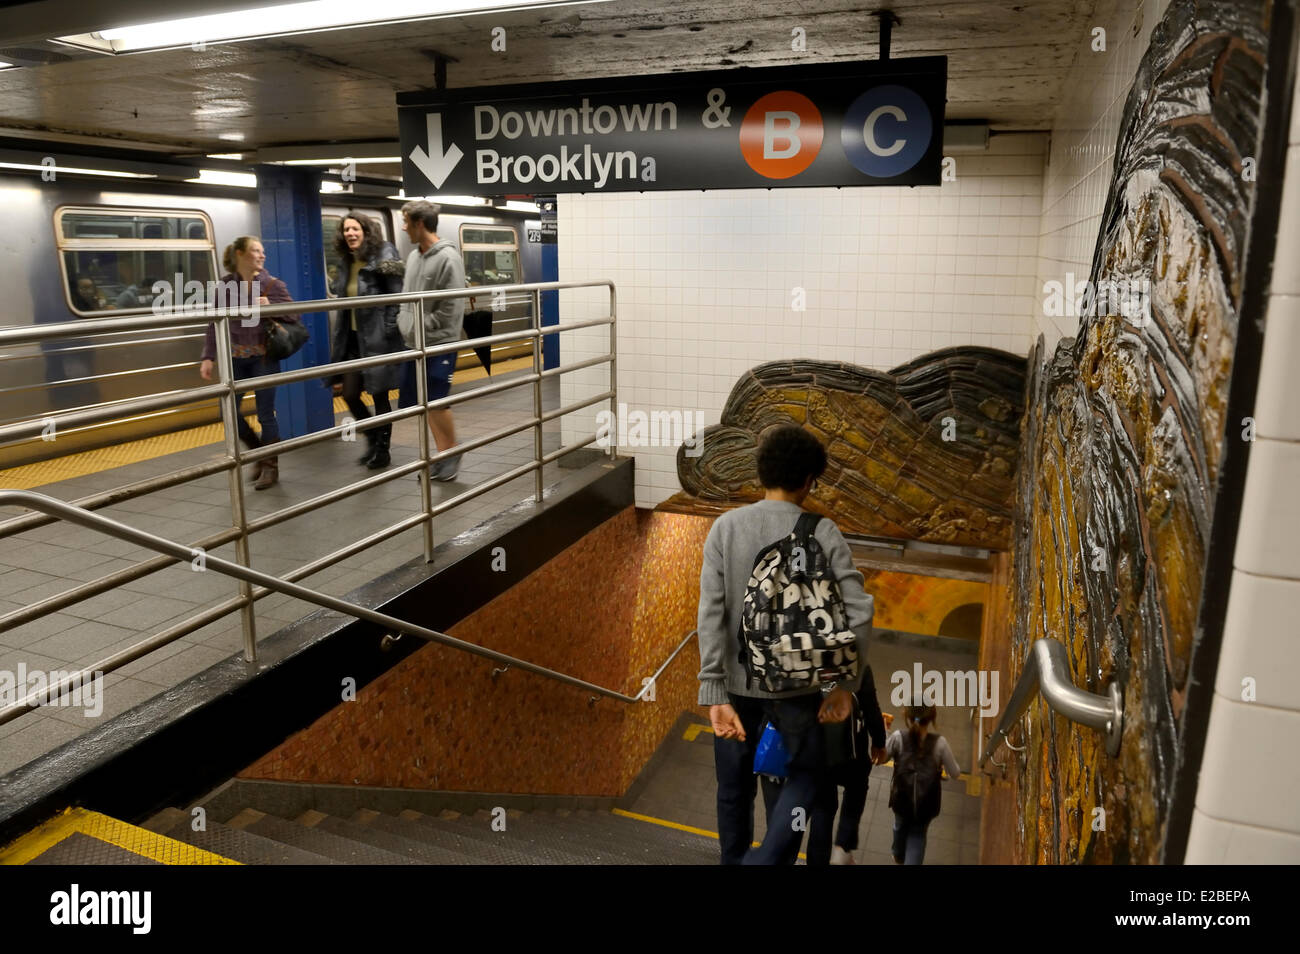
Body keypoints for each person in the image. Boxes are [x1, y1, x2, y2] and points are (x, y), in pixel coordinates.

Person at [697, 424, 874, 865]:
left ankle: (736, 860)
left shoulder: (725, 528)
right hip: (799, 691)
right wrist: (843, 686)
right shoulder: (824, 531)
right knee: (802, 779)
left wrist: (713, 691)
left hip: (737, 688)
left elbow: (711, 616)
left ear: (762, 473)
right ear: (809, 480)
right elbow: (860, 612)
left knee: (733, 789)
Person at [199, 235, 295, 491]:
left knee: (265, 414)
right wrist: (208, 356)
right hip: (235, 360)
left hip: (264, 357)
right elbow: (214, 324)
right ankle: (258, 454)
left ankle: (270, 468)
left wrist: (271, 305)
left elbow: (295, 314)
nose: (262, 255)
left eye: (263, 251)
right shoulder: (224, 286)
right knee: (227, 412)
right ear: (240, 254)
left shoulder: (272, 285)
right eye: (256, 250)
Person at [329, 211, 406, 470]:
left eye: (355, 229)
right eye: (346, 229)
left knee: (380, 395)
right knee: (350, 394)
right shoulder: (346, 262)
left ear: (366, 231)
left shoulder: (384, 254)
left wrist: (388, 329)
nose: (350, 233)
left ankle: (383, 450)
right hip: (351, 340)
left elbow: (397, 296)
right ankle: (372, 437)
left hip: (376, 338)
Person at [396, 200, 465, 481]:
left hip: (439, 343)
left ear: (419, 223)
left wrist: (424, 324)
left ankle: (452, 452)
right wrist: (404, 322)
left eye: (406, 222)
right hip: (414, 344)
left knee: (437, 401)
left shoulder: (448, 258)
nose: (404, 228)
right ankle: (442, 454)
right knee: (423, 403)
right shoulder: (414, 257)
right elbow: (405, 295)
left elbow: (452, 305)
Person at [808, 665, 890, 865]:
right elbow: (871, 708)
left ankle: (817, 860)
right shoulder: (857, 664)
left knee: (822, 808)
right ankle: (842, 847)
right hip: (853, 756)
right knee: (856, 791)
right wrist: (879, 743)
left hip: (819, 755)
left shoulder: (807, 658)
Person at [885, 703, 961, 865]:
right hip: (926, 805)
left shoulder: (898, 737)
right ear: (932, 717)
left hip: (901, 801)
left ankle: (898, 855)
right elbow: (955, 773)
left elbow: (882, 758)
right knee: (918, 836)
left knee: (899, 826)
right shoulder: (940, 743)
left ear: (906, 715)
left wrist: (886, 731)